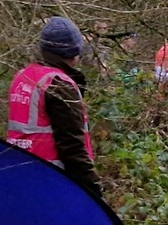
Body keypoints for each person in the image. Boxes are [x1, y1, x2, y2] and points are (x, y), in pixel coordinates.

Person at [7, 17, 104, 201]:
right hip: (52, 181)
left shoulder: (23, 76)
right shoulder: (59, 84)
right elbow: (72, 146)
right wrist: (93, 190)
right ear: (74, 52)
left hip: (18, 174)